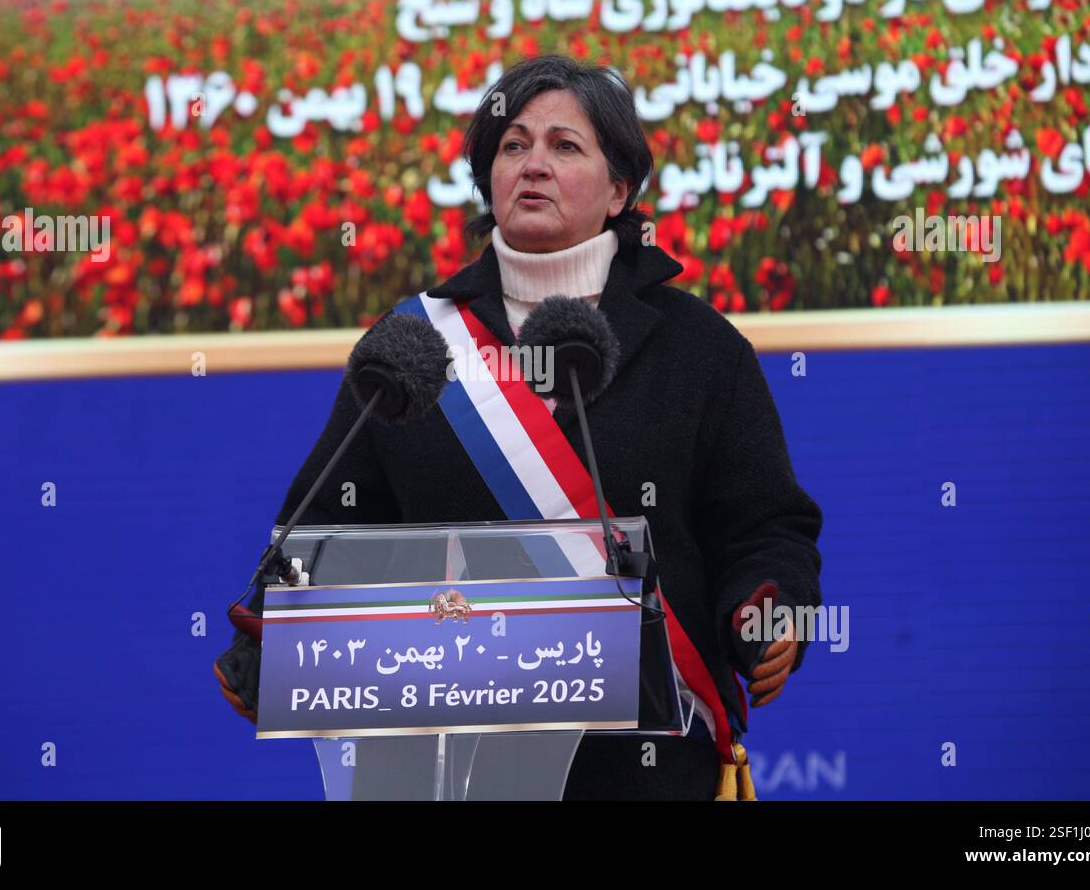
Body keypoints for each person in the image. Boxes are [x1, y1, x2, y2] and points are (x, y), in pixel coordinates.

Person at [216, 54, 823, 800]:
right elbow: (320, 528)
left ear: (619, 190)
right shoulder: (414, 345)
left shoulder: (697, 347)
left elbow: (767, 527)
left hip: (637, 770)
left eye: (565, 146)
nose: (533, 164)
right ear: (488, 176)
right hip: (432, 763)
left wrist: (765, 603)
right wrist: (274, 631)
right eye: (513, 145)